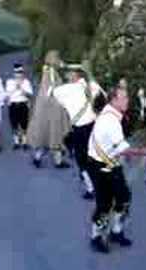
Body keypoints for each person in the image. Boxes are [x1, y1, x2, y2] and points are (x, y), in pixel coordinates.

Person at [88, 87, 146, 253]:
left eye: (127, 97)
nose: (127, 101)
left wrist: (124, 152)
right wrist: (144, 151)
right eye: (123, 98)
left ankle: (116, 231)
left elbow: (116, 143)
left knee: (124, 198)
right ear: (113, 100)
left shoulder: (112, 114)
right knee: (104, 204)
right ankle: (95, 236)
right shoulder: (110, 120)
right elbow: (123, 148)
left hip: (110, 163)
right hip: (100, 166)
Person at [53, 65, 106, 199]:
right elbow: (102, 96)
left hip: (80, 128)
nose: (66, 76)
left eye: (68, 73)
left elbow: (54, 94)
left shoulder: (64, 90)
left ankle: (91, 188)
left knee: (82, 160)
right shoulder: (91, 85)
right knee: (97, 156)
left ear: (73, 75)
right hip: (95, 126)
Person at [26, 50, 71, 169]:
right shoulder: (50, 72)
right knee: (54, 133)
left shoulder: (48, 70)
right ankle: (56, 161)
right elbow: (51, 90)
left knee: (48, 134)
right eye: (57, 58)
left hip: (48, 108)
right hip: (52, 108)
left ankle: (40, 158)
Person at [5, 63, 33, 150]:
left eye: (20, 73)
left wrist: (21, 88)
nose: (19, 75)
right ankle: (16, 142)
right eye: (17, 73)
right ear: (14, 73)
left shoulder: (26, 82)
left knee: (24, 125)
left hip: (23, 104)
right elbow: (7, 95)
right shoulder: (9, 82)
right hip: (13, 105)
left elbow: (30, 95)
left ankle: (24, 142)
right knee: (14, 125)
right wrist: (15, 87)